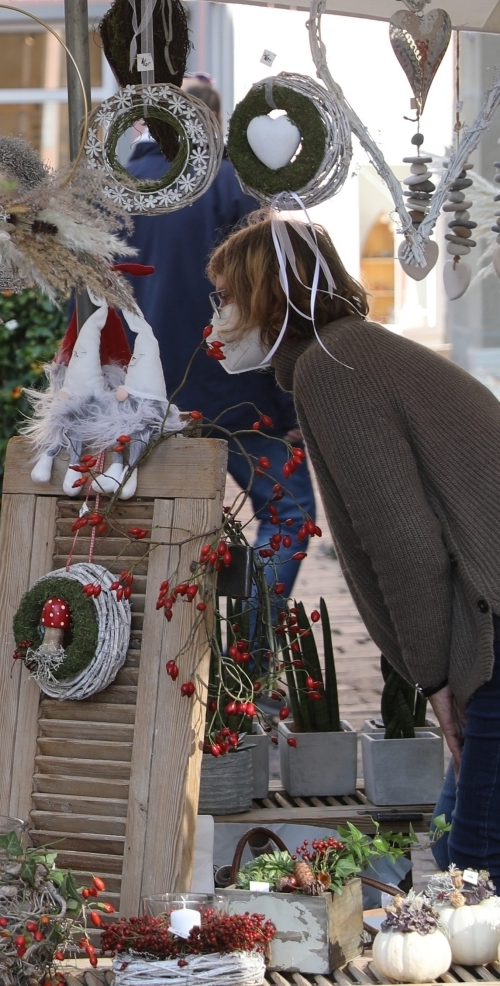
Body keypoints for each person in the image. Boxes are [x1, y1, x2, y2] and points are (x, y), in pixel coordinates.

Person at [205, 216, 500, 868]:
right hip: (486, 619)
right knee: (457, 847)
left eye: (226, 298)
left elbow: (405, 546)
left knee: (477, 870)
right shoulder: (348, 351)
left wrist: (436, 681)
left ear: (270, 297)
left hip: (490, 628)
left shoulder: (332, 368)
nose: (216, 319)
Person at [124, 76, 312, 600]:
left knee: (165, 537)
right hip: (240, 396)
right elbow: (268, 300)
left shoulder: (115, 190)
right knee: (290, 520)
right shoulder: (230, 184)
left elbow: (87, 297)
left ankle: (187, 659)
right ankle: (244, 659)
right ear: (214, 124)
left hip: (144, 402)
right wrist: (289, 408)